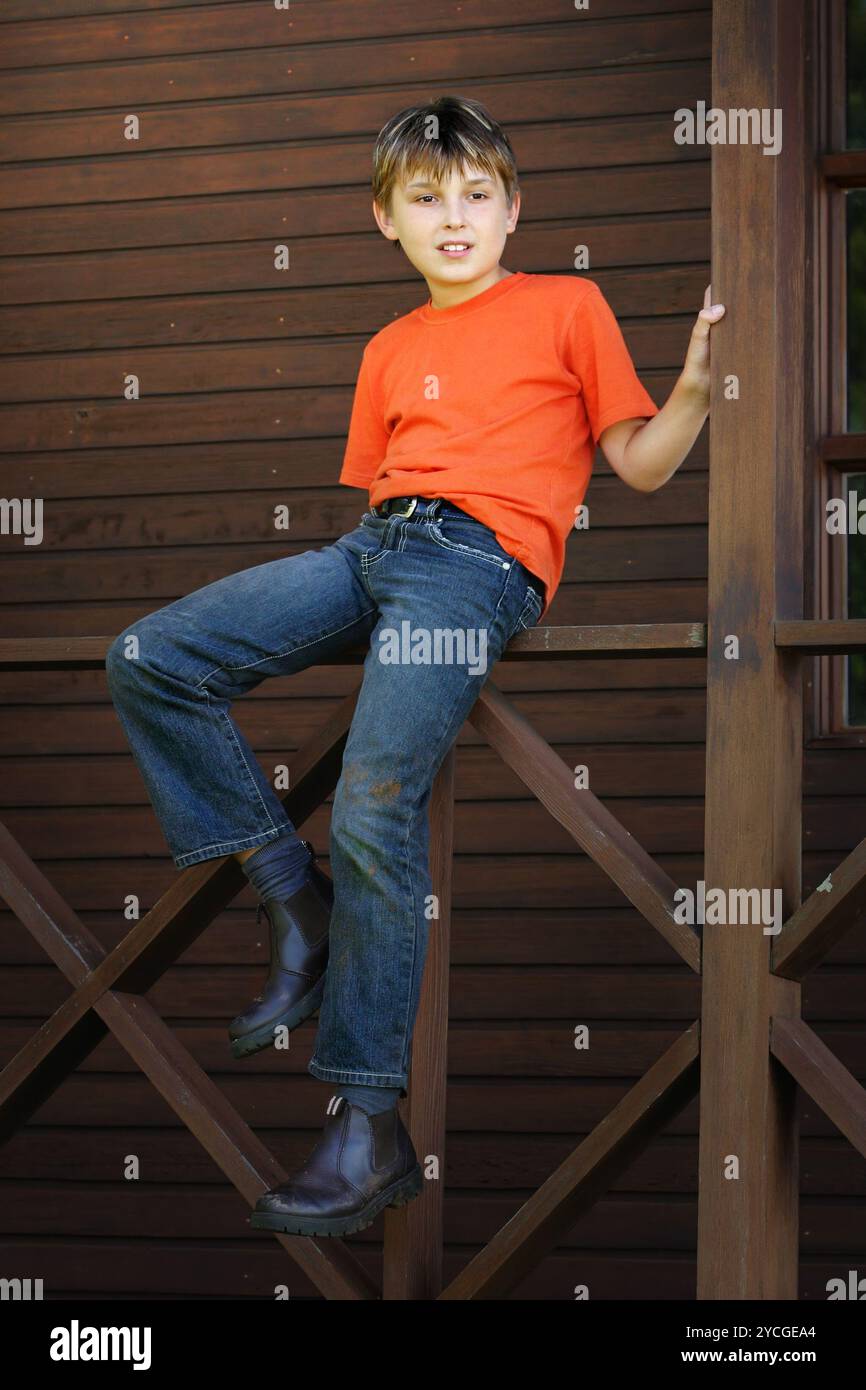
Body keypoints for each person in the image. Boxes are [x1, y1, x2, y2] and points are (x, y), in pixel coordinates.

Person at [105, 94, 723, 1240]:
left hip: (475, 566)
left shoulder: (566, 305)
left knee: (377, 802)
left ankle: (367, 1122)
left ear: (513, 210)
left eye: (477, 195)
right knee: (150, 655)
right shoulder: (388, 347)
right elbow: (376, 506)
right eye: (427, 199)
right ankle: (295, 903)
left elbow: (634, 465)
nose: (455, 217)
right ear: (384, 219)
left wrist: (689, 389)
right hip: (376, 548)